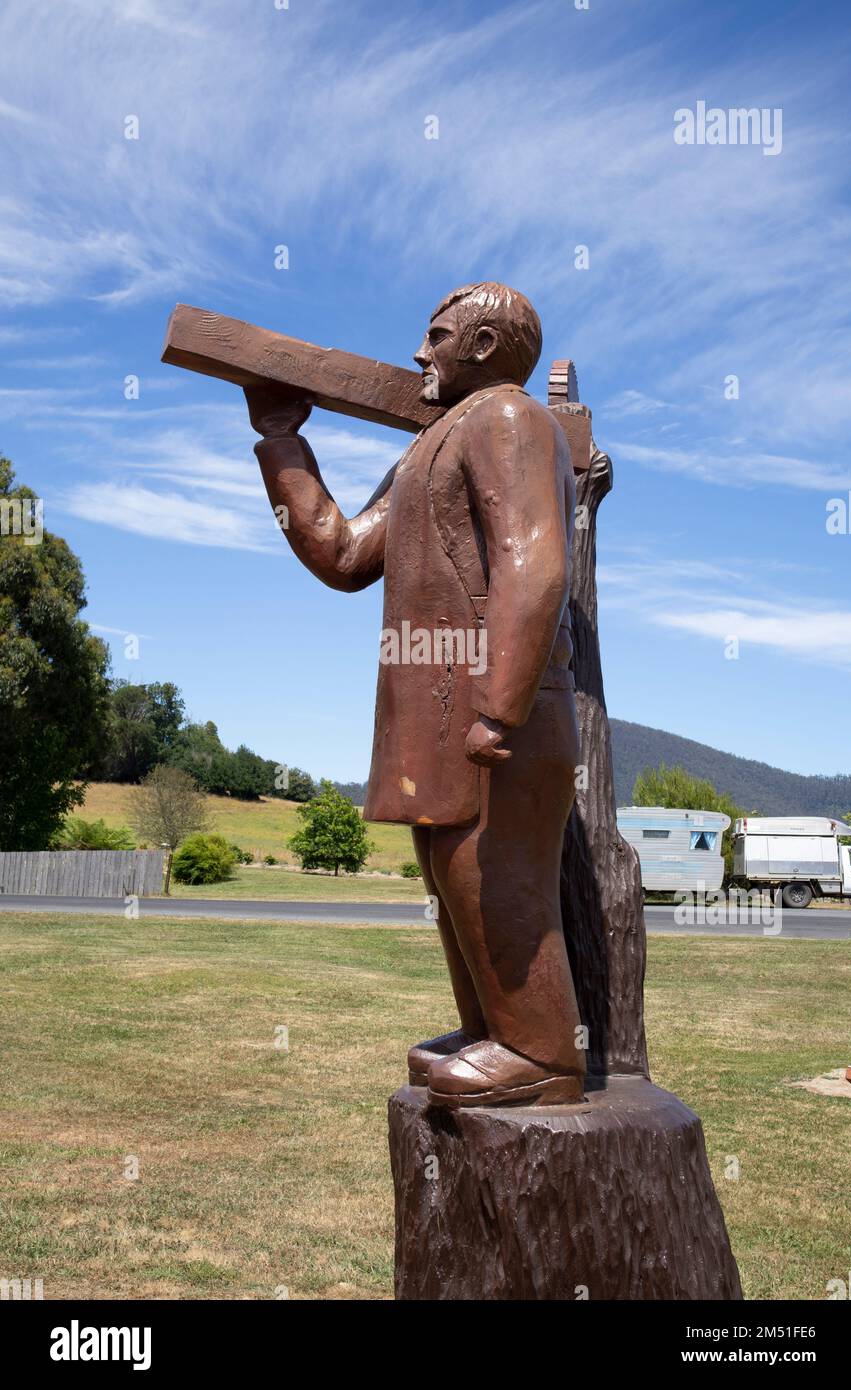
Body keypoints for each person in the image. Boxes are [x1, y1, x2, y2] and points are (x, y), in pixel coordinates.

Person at [246, 282, 585, 1107]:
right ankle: (492, 1032)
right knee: (450, 869)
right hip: (442, 711)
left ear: (480, 346)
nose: (418, 353)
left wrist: (500, 706)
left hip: (496, 709)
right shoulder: (435, 443)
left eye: (435, 336)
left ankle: (542, 1053)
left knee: (495, 870)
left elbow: (534, 565)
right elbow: (344, 552)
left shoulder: (508, 419)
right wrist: (283, 441)